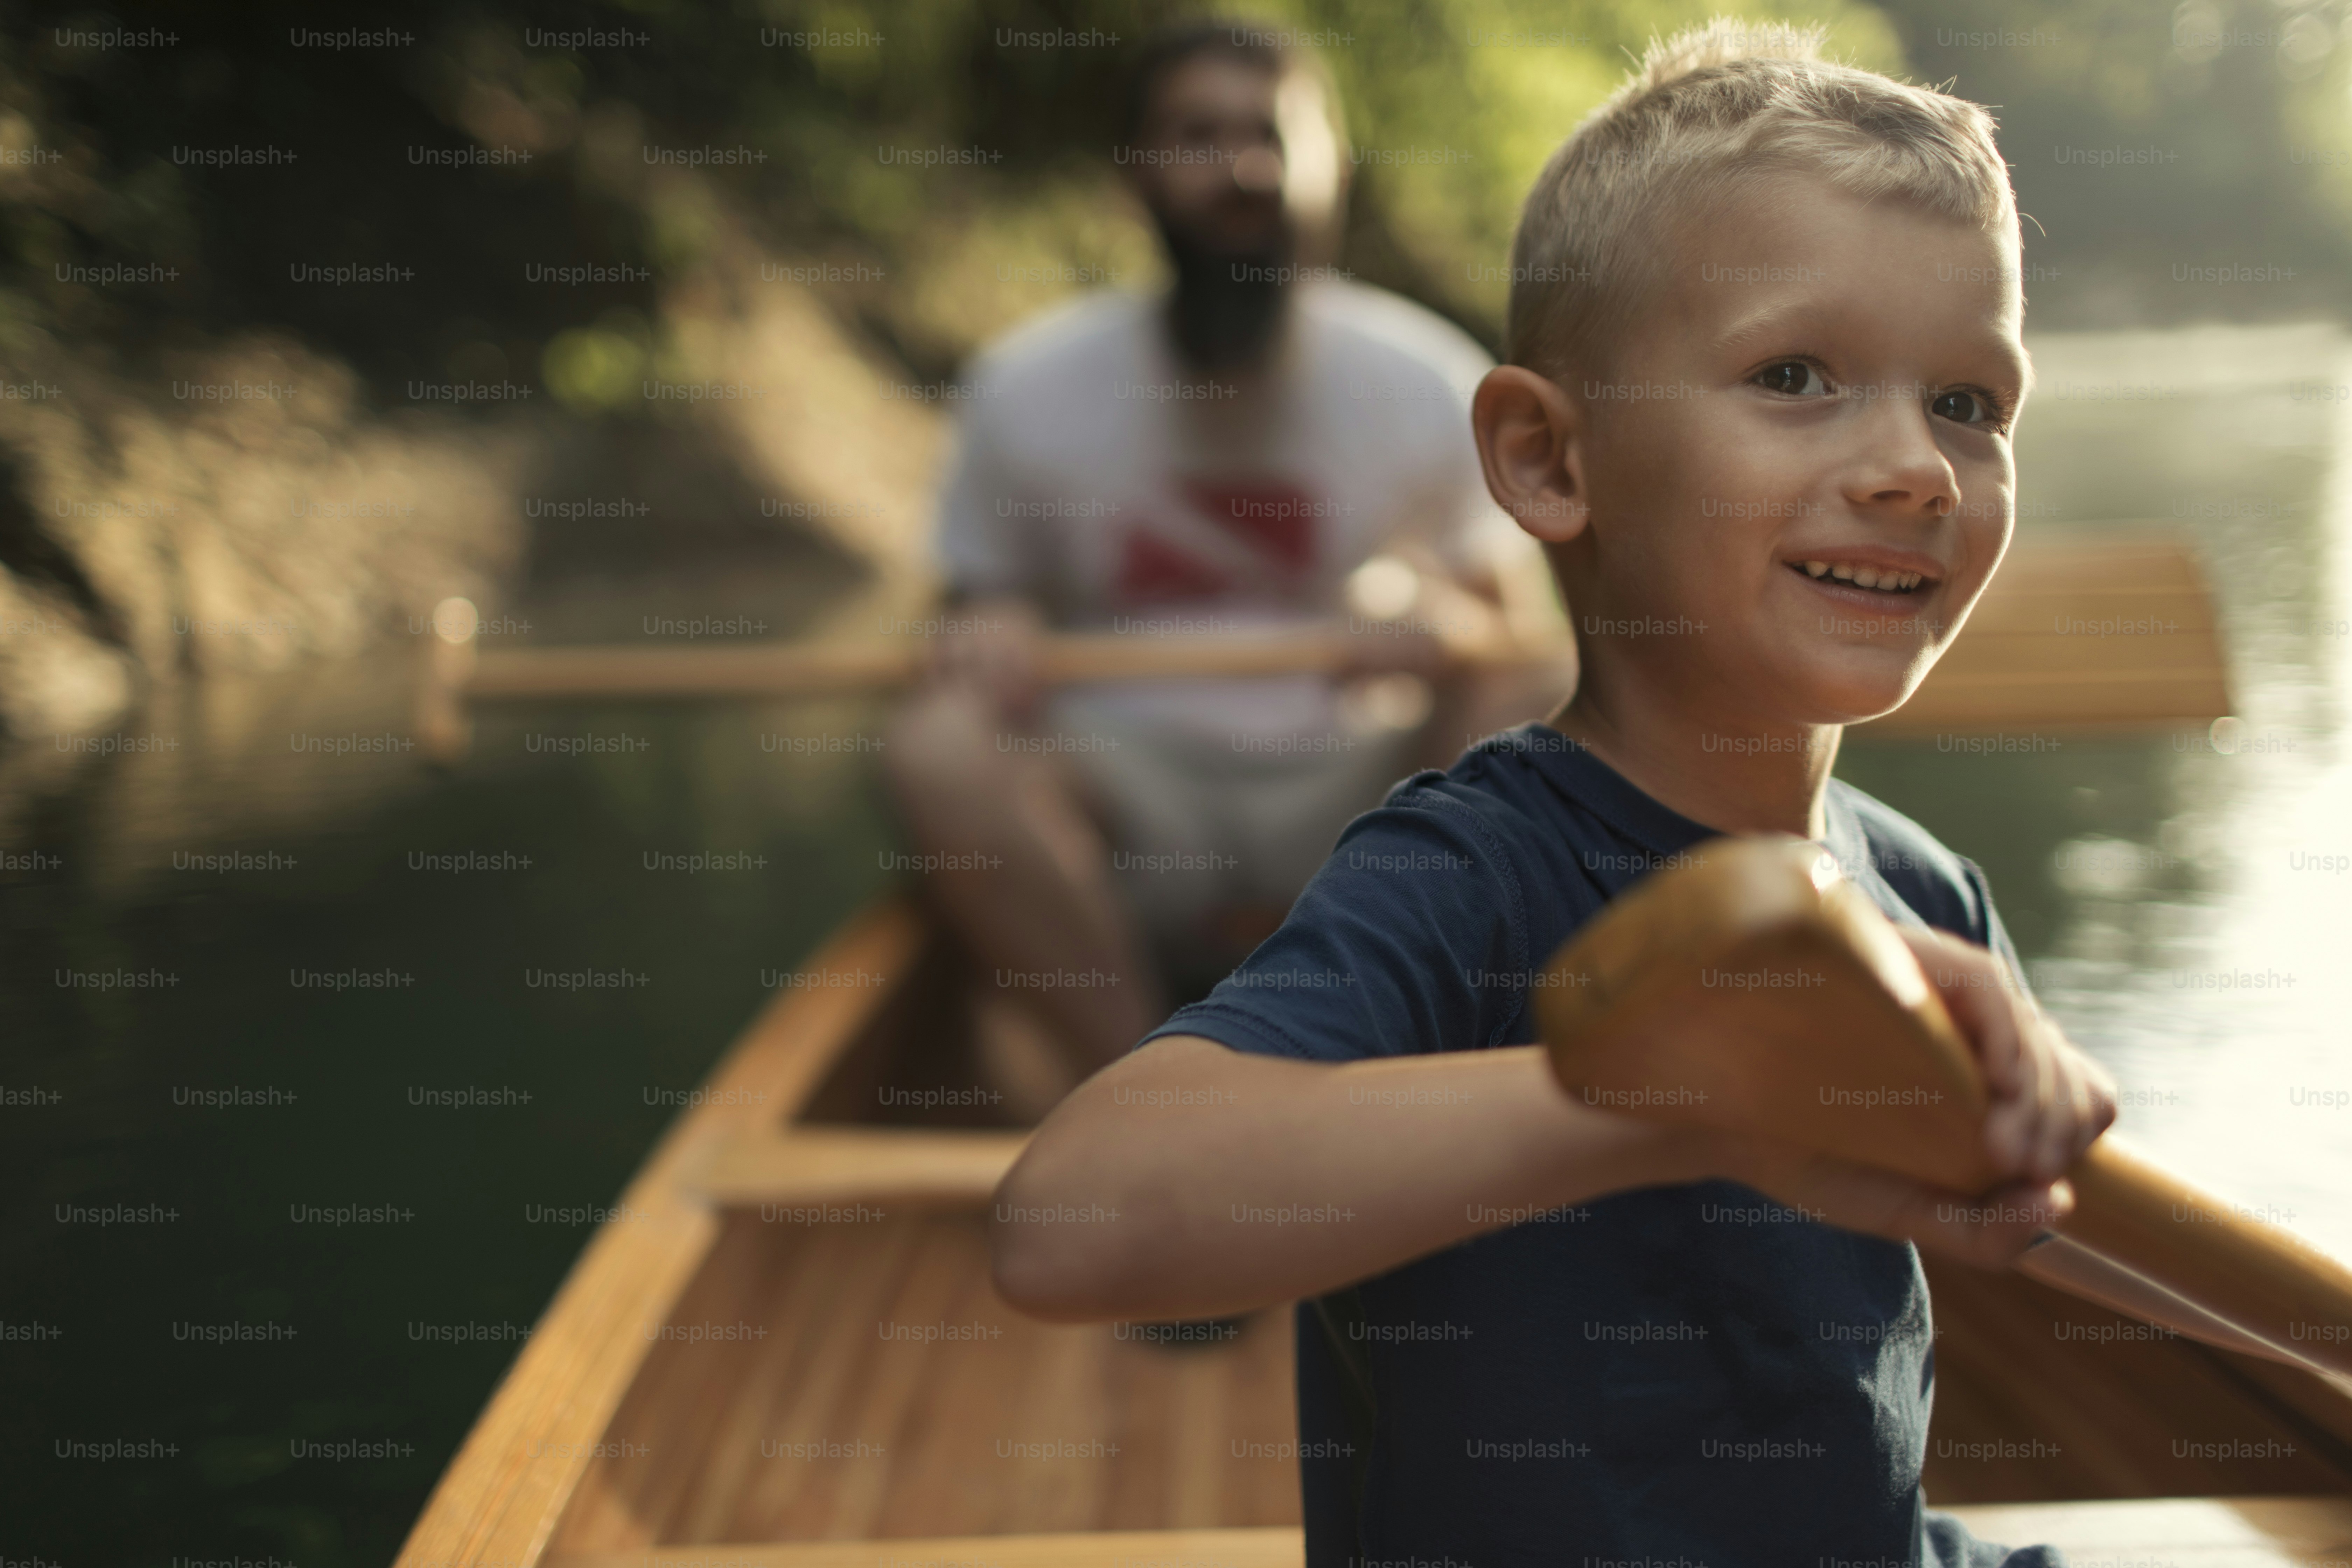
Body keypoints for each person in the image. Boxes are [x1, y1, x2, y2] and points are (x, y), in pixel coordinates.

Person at [986, 21, 2274, 1564]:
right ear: (1546, 462)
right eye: (1796, 376)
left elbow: (2040, 1229)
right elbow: (1072, 1219)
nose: (1919, 467)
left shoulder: (1926, 897)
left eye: (1972, 405)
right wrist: (1655, 1102)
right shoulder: (1467, 876)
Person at [886, 21, 1553, 1111]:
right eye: (1199, 136)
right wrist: (987, 626)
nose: (1243, 169)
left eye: (1270, 136)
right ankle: (1147, 1101)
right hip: (1128, 801)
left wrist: (1443, 619)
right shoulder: (1029, 383)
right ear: (1133, 174)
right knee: (941, 743)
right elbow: (970, 599)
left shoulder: (1425, 376)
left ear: (1332, 168)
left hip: (1358, 808)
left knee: (1536, 694)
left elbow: (1513, 631)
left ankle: (1402, 1059)